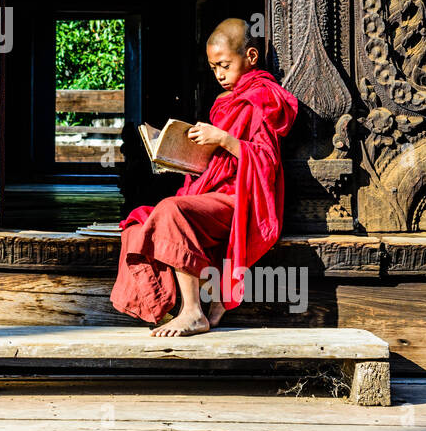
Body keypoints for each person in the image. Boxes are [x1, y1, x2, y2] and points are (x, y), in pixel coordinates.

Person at [110, 18, 298, 337]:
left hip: (242, 200)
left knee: (171, 210)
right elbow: (216, 163)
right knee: (140, 221)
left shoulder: (264, 97)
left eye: (224, 64)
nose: (219, 74)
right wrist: (180, 157)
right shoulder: (223, 103)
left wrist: (223, 139)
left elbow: (266, 160)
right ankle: (163, 305)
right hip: (212, 191)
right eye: (213, 68)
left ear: (251, 57)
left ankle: (193, 311)